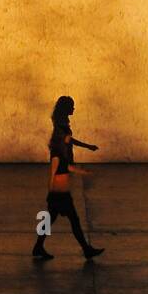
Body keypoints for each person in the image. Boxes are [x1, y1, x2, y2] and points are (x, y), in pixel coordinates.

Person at [32, 95, 104, 260]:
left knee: (51, 218)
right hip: (60, 190)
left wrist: (87, 149)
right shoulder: (60, 140)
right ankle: (86, 249)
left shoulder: (61, 128)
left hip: (59, 187)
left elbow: (70, 143)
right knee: (73, 220)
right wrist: (51, 189)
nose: (74, 109)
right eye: (72, 106)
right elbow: (58, 163)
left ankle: (38, 246)